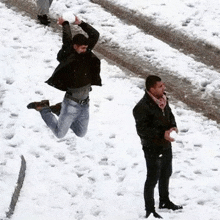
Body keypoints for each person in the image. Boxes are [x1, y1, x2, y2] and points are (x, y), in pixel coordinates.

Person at [27, 15, 101, 139]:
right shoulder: (69, 55)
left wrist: (81, 23)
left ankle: (58, 110)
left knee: (81, 133)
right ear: (75, 46)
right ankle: (43, 108)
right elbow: (67, 39)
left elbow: (95, 35)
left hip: (85, 104)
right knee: (59, 134)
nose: (85, 50)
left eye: (86, 48)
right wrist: (65, 24)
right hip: (71, 102)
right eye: (82, 48)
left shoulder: (86, 52)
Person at [133, 75, 182, 219]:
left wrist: (172, 125)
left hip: (165, 145)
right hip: (152, 148)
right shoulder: (141, 108)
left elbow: (169, 114)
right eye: (160, 86)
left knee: (166, 173)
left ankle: (164, 201)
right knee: (152, 177)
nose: (164, 88)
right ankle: (150, 209)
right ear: (151, 89)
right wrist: (162, 134)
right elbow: (143, 131)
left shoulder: (163, 100)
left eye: (163, 85)